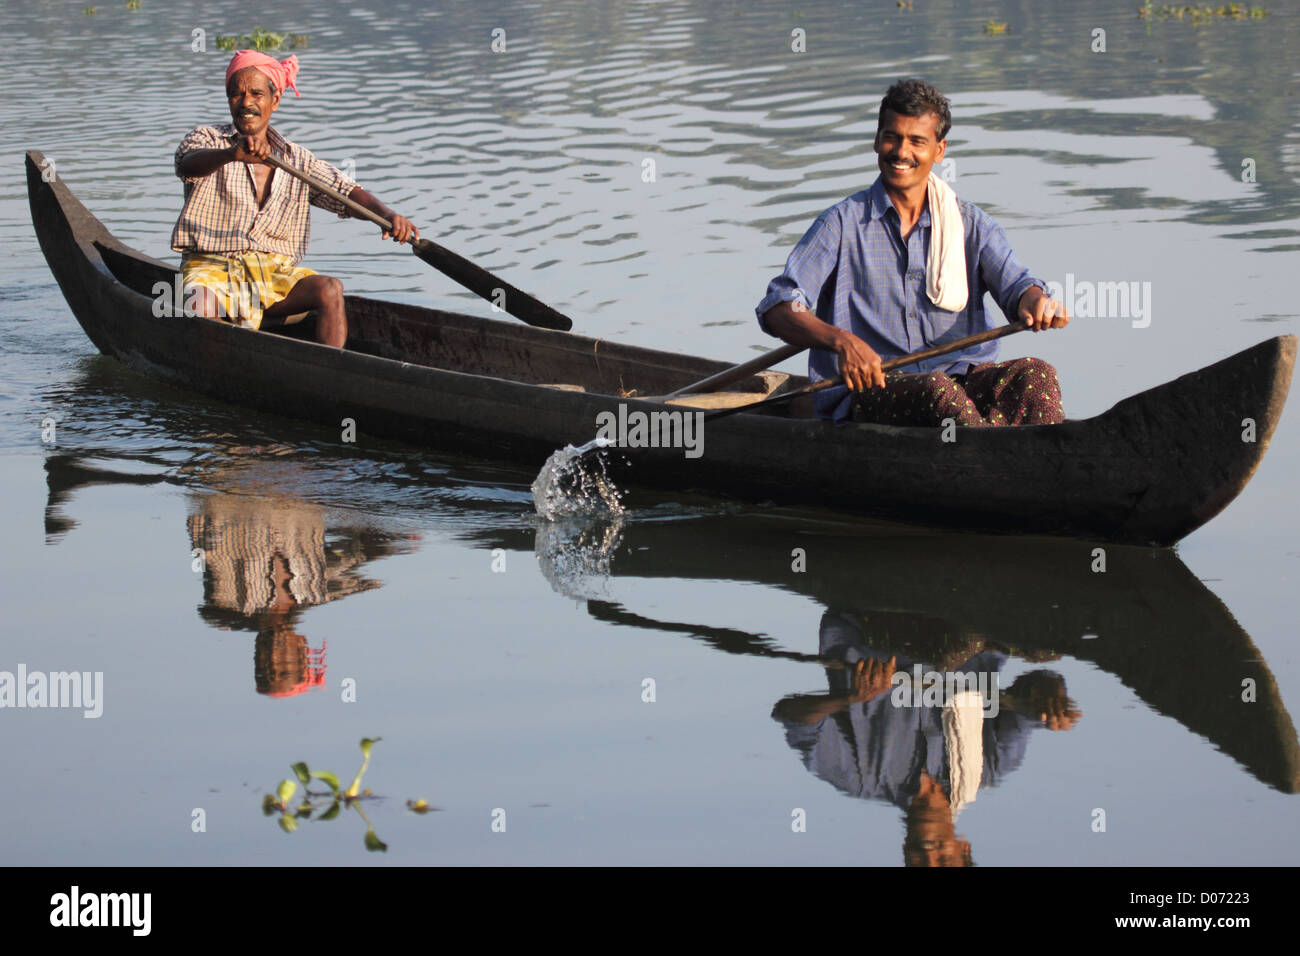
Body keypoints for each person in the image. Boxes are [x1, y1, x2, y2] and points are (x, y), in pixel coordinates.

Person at [756, 78, 1069, 426]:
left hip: (959, 384)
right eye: (892, 137)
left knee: (1035, 375)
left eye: (917, 141)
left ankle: (1027, 459)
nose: (901, 152)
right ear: (877, 141)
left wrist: (1037, 302)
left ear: (939, 150)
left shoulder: (970, 224)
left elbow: (1019, 288)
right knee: (934, 390)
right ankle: (998, 461)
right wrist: (842, 341)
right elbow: (779, 307)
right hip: (872, 391)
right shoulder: (840, 225)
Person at [170, 50, 419, 347]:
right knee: (199, 303)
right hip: (211, 269)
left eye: (256, 94)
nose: (246, 103)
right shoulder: (208, 139)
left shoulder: (297, 160)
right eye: (237, 95)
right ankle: (215, 375)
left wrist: (388, 216)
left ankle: (332, 374)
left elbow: (345, 192)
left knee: (329, 289)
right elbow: (187, 165)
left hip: (272, 275)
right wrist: (231, 155)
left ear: (275, 100)